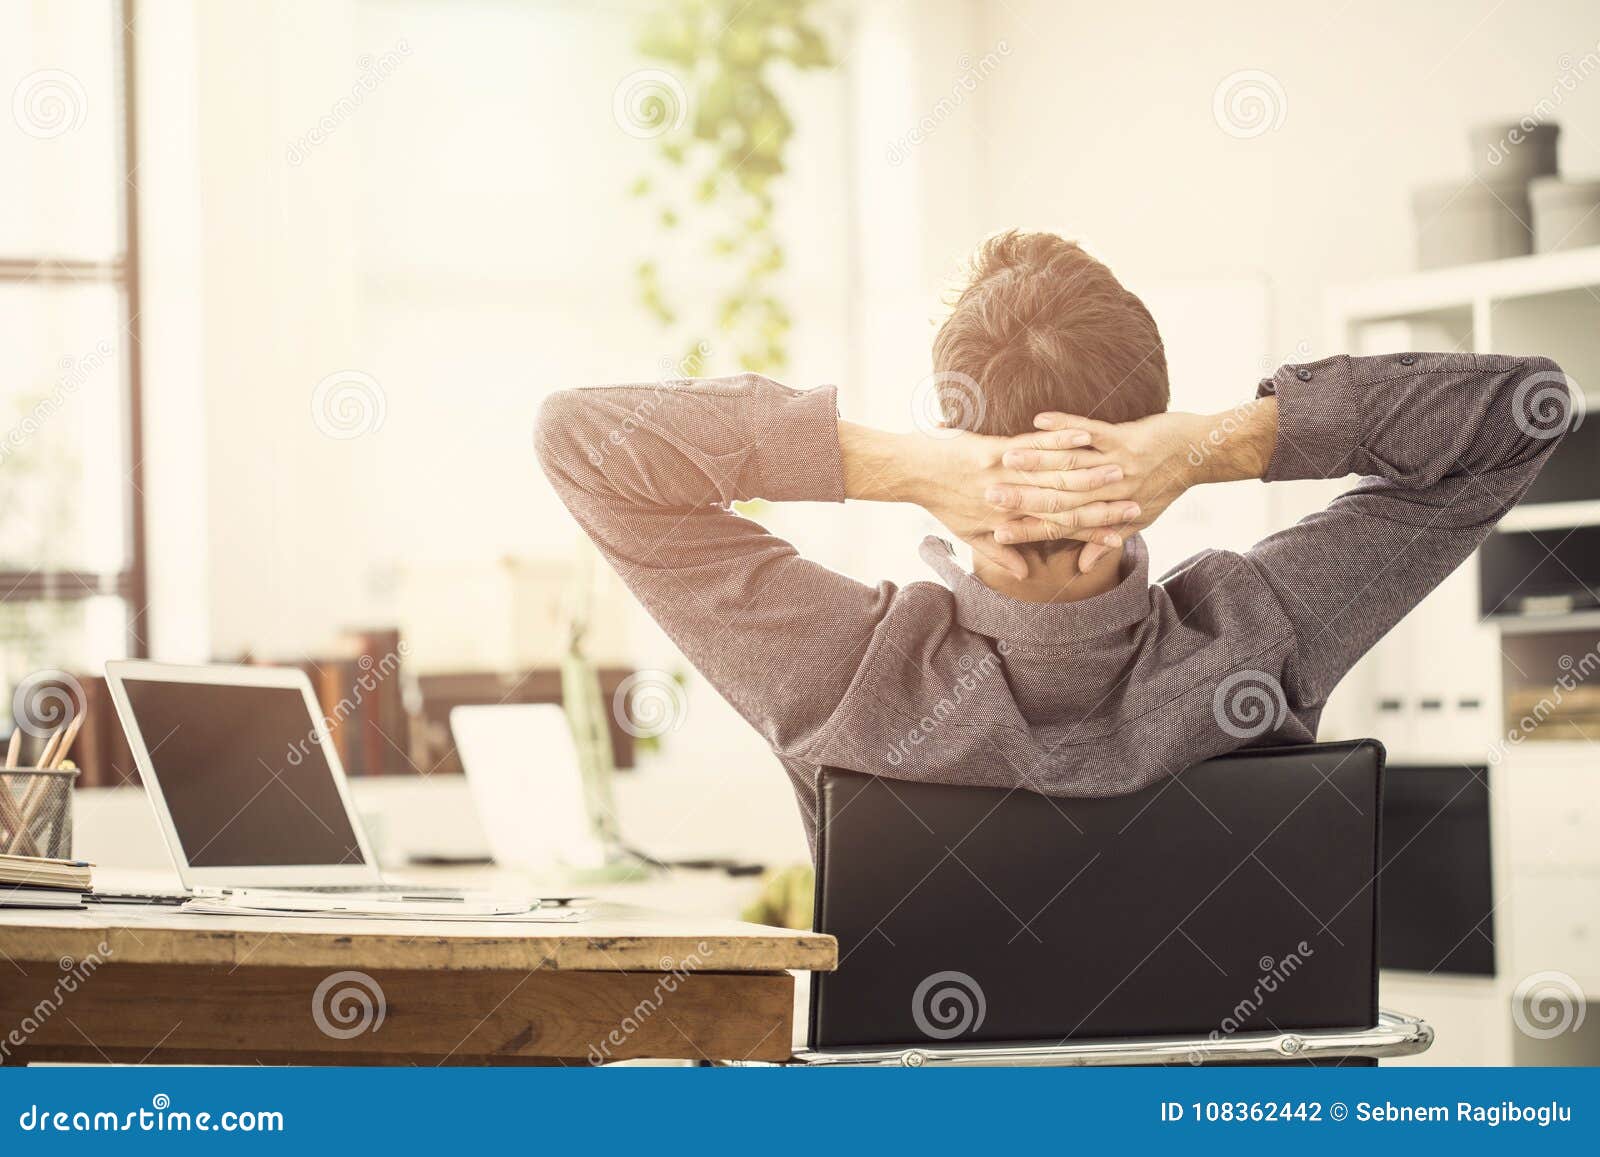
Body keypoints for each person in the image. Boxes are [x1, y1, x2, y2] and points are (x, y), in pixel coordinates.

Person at [536, 230, 1572, 855]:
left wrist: (900, 466)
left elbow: (579, 443)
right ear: (1147, 441)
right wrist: (1214, 447)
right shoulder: (1262, 637)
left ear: (958, 449)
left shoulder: (839, 671)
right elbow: (1524, 408)